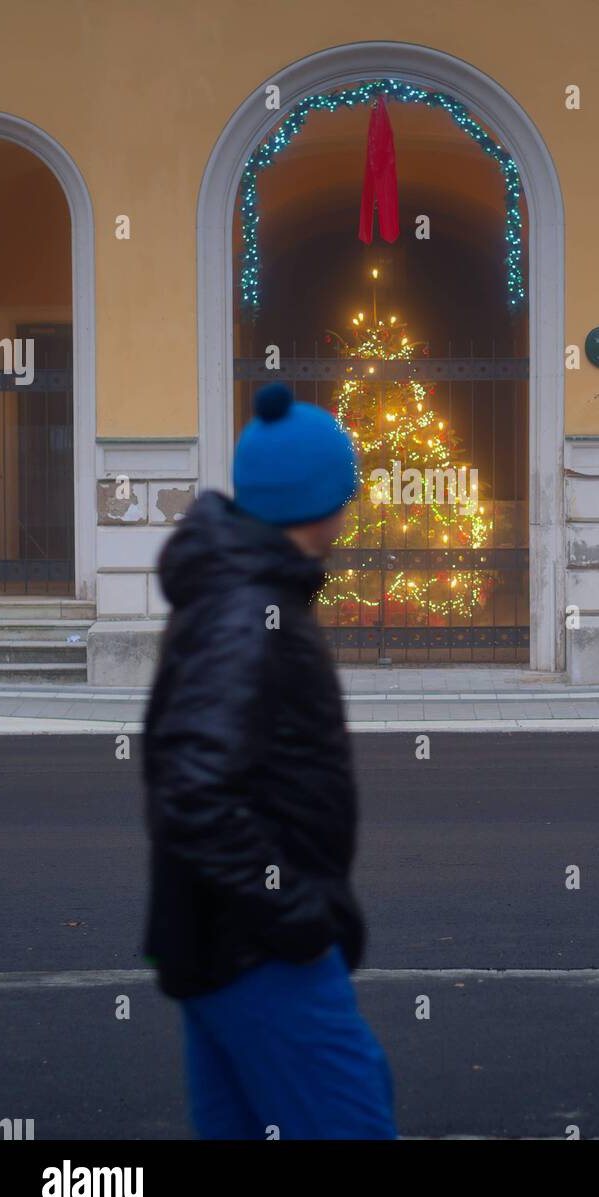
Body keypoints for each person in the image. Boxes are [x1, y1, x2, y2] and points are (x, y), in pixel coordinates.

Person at [141, 382, 396, 1140]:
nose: (348, 511)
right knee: (353, 1125)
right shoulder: (249, 612)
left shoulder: (239, 592)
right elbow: (193, 789)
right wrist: (292, 913)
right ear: (312, 503)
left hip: (221, 945)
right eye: (342, 493)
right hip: (259, 952)